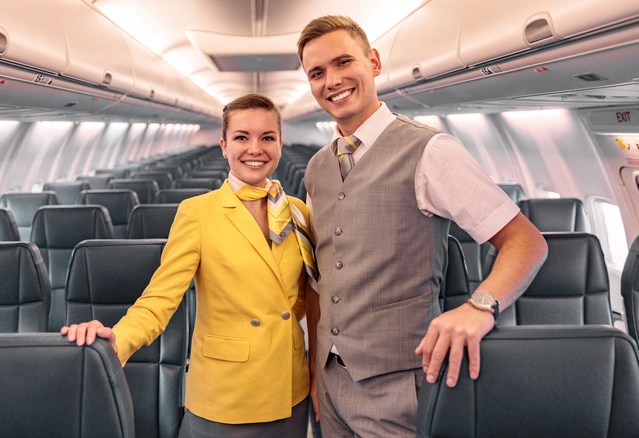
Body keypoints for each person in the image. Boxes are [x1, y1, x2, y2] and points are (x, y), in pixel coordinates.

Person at [297, 15, 549, 436]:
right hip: (330, 381)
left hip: (400, 386)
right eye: (317, 73)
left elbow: (526, 241)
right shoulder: (317, 168)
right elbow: (322, 281)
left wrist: (480, 306)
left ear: (373, 62)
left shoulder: (431, 151)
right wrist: (313, 371)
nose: (333, 80)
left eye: (344, 62)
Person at [62, 93, 317, 437]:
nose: (255, 149)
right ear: (224, 145)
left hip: (289, 387)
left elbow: (308, 299)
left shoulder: (299, 212)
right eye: (242, 137)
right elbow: (161, 299)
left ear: (280, 144)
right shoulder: (198, 213)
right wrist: (116, 339)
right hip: (226, 393)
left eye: (267, 137)